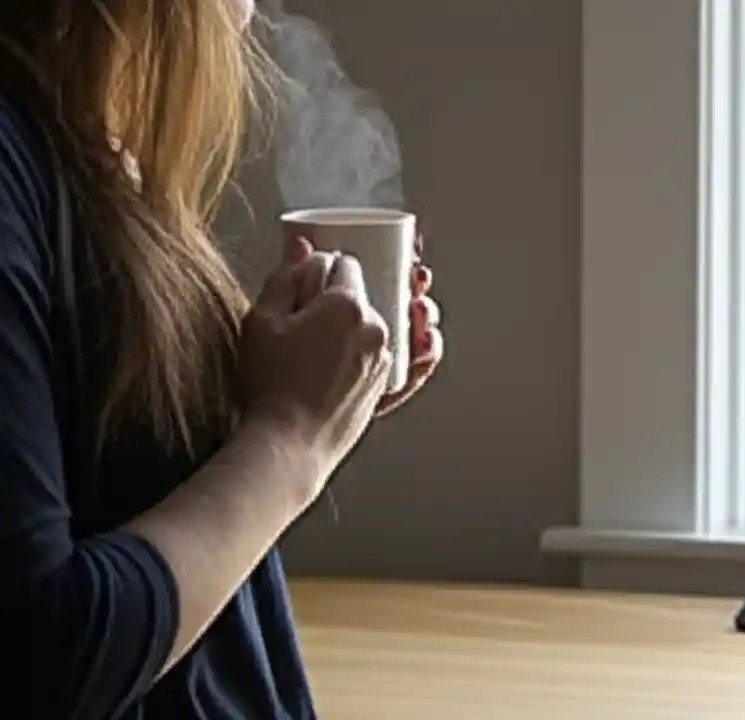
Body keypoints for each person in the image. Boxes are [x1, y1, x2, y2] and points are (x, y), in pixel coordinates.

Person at [0, 0, 444, 717]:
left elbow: (102, 466)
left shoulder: (72, 138)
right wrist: (290, 437)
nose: (247, 11)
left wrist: (286, 391)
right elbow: (42, 659)